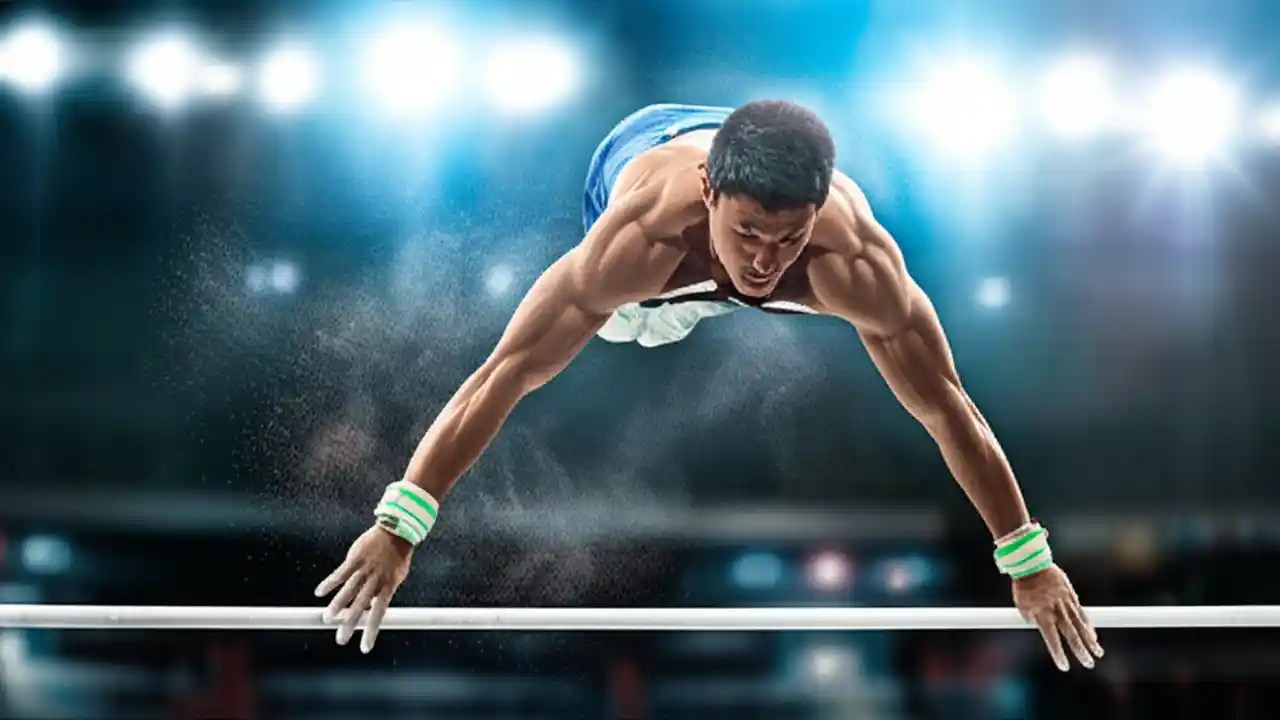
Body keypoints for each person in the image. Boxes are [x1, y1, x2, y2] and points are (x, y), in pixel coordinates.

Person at [314, 101, 1105, 669]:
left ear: (820, 212)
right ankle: (670, 299)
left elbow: (945, 407)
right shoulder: (638, 239)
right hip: (642, 184)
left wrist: (1025, 558)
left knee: (745, 298)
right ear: (709, 196)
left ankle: (694, 296)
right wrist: (399, 525)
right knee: (634, 319)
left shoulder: (854, 265)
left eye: (788, 238)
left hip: (717, 238)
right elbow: (505, 373)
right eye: (749, 234)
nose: (765, 260)